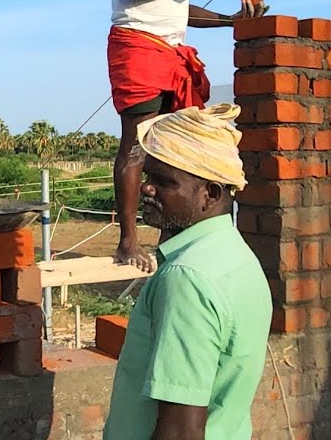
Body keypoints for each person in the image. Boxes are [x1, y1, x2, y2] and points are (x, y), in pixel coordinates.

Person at [107, 0, 267, 271]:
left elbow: (178, 10)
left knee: (170, 150)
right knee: (137, 142)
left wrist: (232, 20)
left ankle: (171, 234)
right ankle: (128, 242)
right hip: (141, 48)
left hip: (169, 50)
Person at [103, 104, 272, 440]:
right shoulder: (236, 256)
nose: (147, 189)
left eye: (164, 181)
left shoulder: (187, 277)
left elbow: (180, 432)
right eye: (149, 176)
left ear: (210, 194)